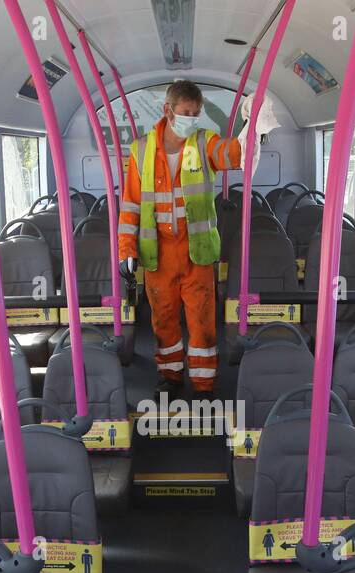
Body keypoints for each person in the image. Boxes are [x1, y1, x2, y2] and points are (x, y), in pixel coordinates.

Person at [118, 81, 264, 398]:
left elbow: (231, 154)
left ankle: (204, 383)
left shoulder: (203, 142)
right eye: (186, 114)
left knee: (202, 322)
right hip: (157, 254)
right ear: (167, 111)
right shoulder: (140, 150)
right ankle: (170, 376)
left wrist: (254, 126)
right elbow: (129, 206)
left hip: (197, 251)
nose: (192, 120)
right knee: (164, 320)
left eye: (196, 114)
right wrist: (126, 250)